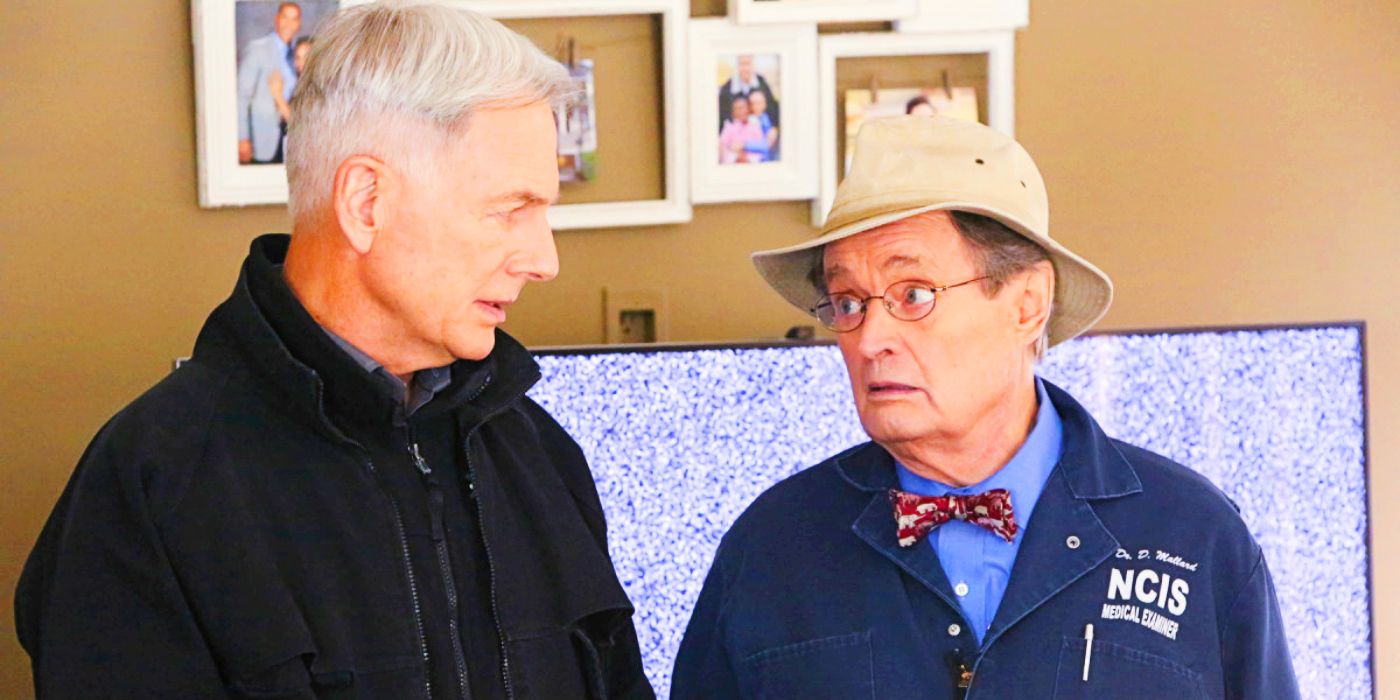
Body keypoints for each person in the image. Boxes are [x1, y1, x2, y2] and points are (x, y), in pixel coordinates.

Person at [16, 3, 653, 698]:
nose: (544, 261)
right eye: (509, 211)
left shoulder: (542, 456)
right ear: (366, 201)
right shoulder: (154, 486)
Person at [671, 116, 1299, 698]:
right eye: (848, 303)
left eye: (913, 293)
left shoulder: (1195, 535)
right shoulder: (770, 549)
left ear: (1028, 304)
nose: (869, 338)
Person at [236, 2, 301, 164]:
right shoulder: (258, 49)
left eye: (294, 19)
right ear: (276, 19)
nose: (288, 24)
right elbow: (242, 96)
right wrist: (242, 138)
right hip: (263, 137)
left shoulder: (299, 54)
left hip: (292, 137)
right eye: (285, 17)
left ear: (298, 24)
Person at [717, 54, 778, 135]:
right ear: (737, 66)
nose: (745, 68)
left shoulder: (761, 82)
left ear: (753, 66)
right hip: (735, 135)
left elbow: (772, 108)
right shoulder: (728, 87)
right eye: (742, 64)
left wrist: (774, 128)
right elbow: (721, 115)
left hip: (761, 132)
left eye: (748, 64)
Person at [719, 94, 764, 164]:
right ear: (733, 112)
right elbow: (723, 148)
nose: (740, 111)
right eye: (737, 109)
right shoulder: (729, 126)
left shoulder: (755, 124)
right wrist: (735, 158)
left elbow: (762, 147)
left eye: (743, 107)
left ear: (749, 108)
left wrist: (748, 157)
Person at [747, 89, 779, 161]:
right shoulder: (744, 120)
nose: (755, 106)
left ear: (764, 104)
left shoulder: (769, 120)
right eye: (752, 103)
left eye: (758, 103)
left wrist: (744, 145)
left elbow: (768, 144)